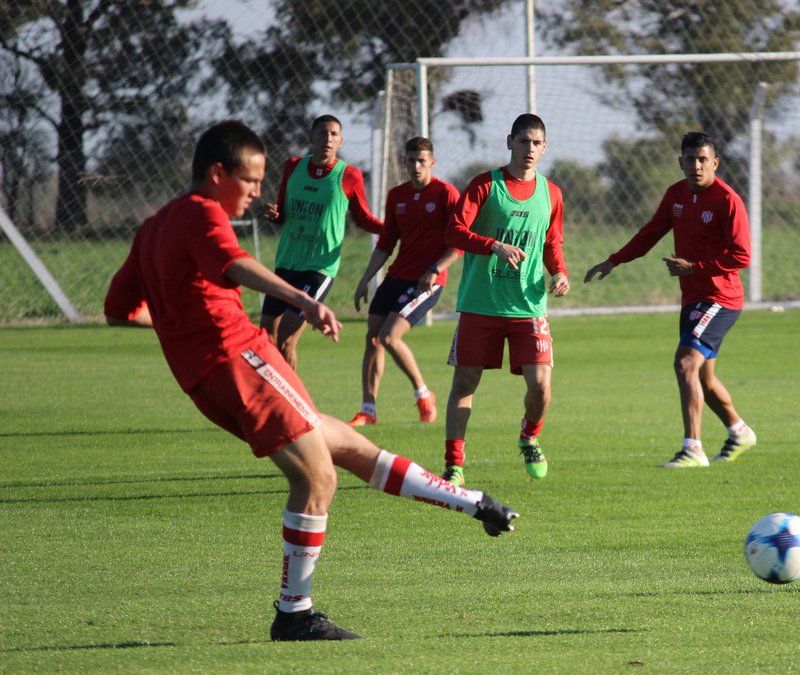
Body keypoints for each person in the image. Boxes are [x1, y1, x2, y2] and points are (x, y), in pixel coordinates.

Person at [103, 120, 518, 642]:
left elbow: (118, 310)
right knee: (318, 479)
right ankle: (294, 613)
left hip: (207, 378)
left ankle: (475, 503)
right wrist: (305, 301)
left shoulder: (152, 228)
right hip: (240, 360)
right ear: (216, 174)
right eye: (250, 180)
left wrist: (177, 327)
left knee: (346, 445)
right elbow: (234, 264)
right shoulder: (200, 212)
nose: (258, 192)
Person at [584, 131, 756, 468]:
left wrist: (695, 268)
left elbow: (742, 255)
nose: (696, 165)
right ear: (680, 162)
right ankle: (739, 431)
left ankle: (693, 448)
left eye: (703, 159)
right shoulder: (675, 195)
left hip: (721, 297)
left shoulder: (727, 200)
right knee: (703, 378)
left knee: (685, 363)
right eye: (690, 159)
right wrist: (614, 259)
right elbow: (651, 232)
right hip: (694, 298)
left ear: (715, 162)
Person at [440, 113, 570, 487]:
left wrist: (559, 272)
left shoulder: (552, 193)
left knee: (541, 386)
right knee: (464, 384)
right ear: (509, 141)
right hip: (481, 303)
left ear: (545, 147)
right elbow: (454, 230)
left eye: (536, 143)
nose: (529, 149)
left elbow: (552, 242)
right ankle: (454, 465)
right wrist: (492, 245)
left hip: (527, 305)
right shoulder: (485, 185)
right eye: (523, 141)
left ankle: (529, 435)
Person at [349, 137, 461, 427]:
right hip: (396, 276)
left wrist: (437, 268)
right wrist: (365, 279)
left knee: (389, 336)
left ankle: (423, 394)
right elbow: (386, 244)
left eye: (421, 160)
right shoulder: (396, 195)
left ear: (432, 162)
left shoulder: (445, 194)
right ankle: (368, 409)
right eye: (410, 160)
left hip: (426, 282)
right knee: (373, 339)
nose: (415, 166)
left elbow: (459, 243)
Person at [260, 114, 384, 369]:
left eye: (334, 134)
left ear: (340, 141)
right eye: (322, 133)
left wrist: (394, 229)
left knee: (280, 337)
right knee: (276, 342)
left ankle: (283, 402)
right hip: (286, 263)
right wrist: (275, 215)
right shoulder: (293, 166)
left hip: (318, 269)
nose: (328, 139)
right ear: (311, 138)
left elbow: (362, 219)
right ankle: (289, 402)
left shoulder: (349, 175)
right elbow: (283, 212)